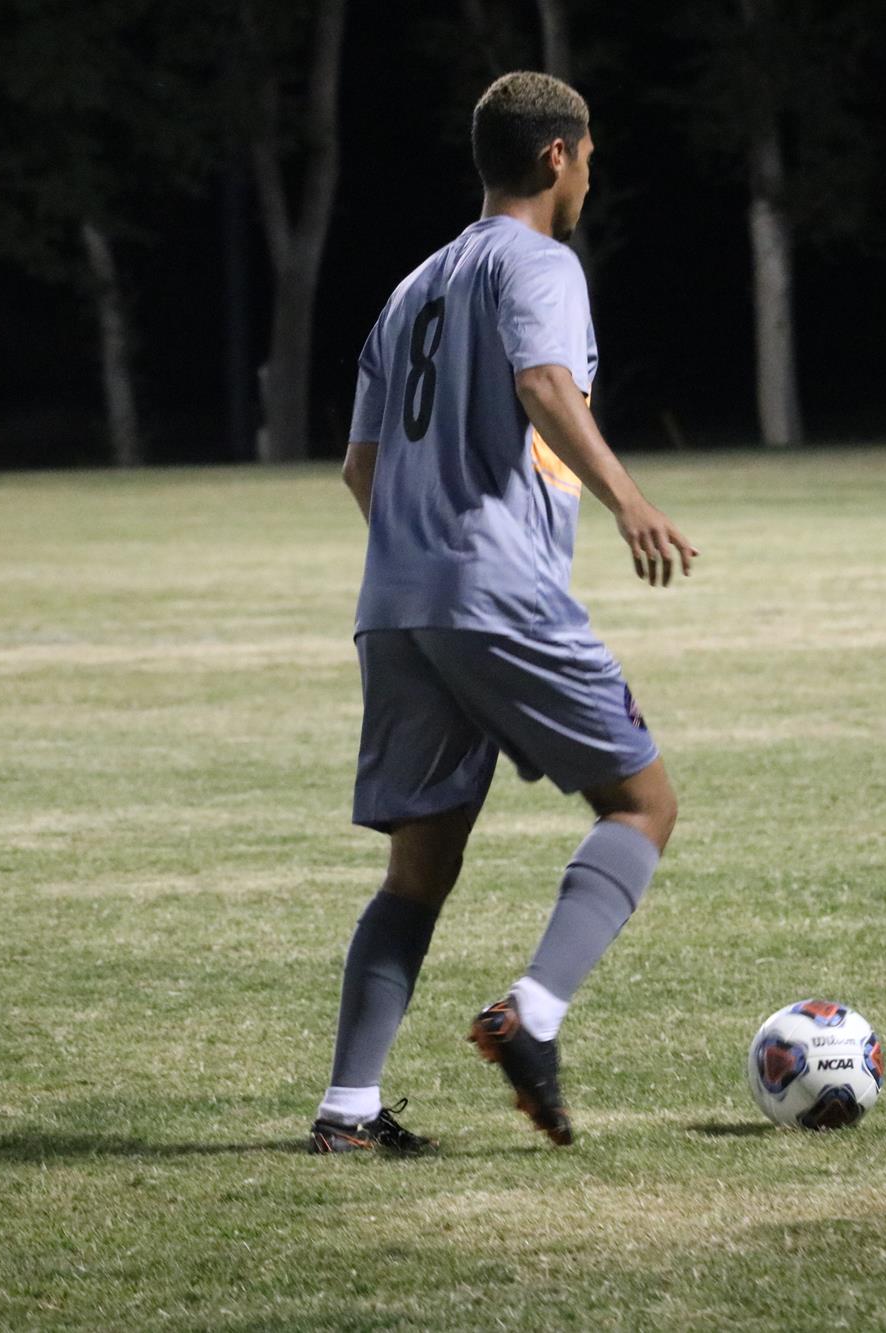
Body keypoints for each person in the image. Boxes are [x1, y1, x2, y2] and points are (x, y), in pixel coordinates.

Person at [309, 71, 697, 1154]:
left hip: (396, 604)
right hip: (496, 589)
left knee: (418, 869)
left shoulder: (409, 288)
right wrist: (630, 501)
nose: (588, 177)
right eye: (589, 157)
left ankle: (347, 1112)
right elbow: (541, 383)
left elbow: (358, 466)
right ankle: (530, 1013)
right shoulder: (539, 262)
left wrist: (422, 555)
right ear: (556, 158)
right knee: (642, 804)